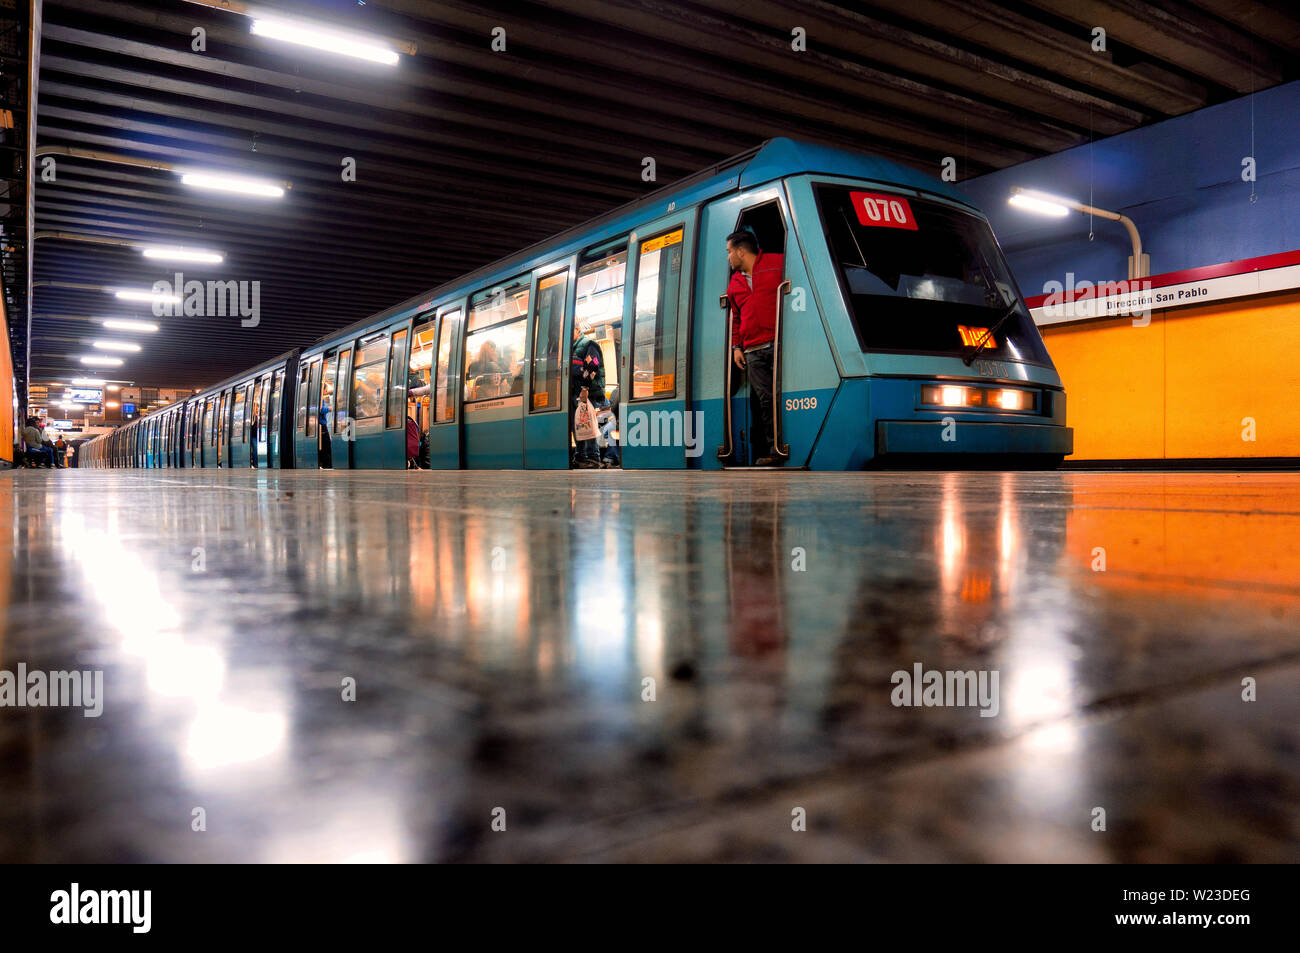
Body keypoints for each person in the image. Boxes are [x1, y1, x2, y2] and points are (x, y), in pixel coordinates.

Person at [725, 230, 786, 466]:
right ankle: (774, 449)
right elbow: (736, 318)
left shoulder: (777, 263)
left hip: (779, 343)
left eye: (730, 252)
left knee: (783, 397)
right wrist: (736, 347)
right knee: (764, 400)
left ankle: (789, 444)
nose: (729, 257)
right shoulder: (734, 284)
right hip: (752, 350)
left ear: (741, 250)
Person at [570, 322, 605, 468]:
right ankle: (580, 456)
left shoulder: (588, 344)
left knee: (588, 423)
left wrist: (585, 386)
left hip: (586, 392)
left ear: (577, 330)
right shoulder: (570, 348)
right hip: (574, 393)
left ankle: (593, 457)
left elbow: (594, 365)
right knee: (578, 424)